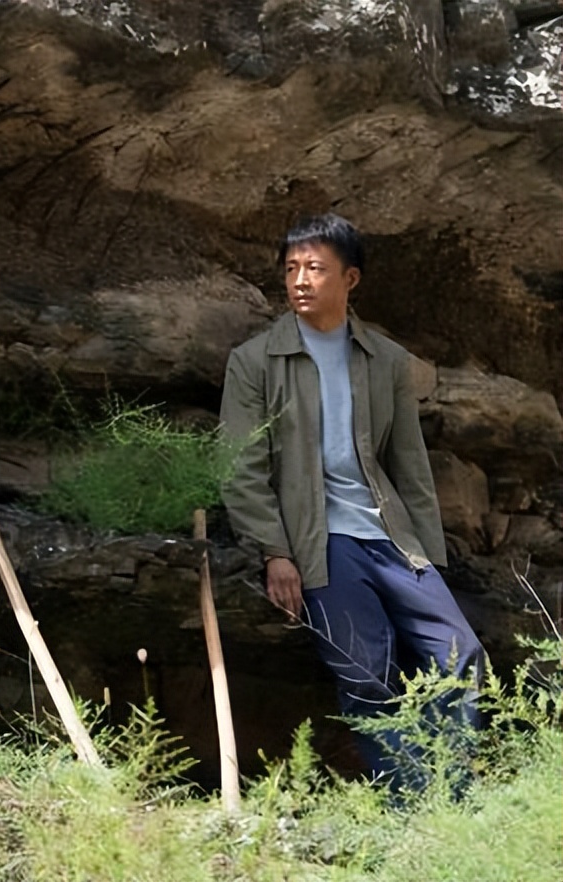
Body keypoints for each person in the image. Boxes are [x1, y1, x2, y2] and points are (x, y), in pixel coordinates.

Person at [219, 213, 485, 790]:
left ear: (351, 278)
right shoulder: (255, 361)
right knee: (367, 671)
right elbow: (240, 469)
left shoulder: (385, 360)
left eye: (315, 268)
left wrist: (429, 561)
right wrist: (275, 552)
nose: (300, 280)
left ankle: (454, 795)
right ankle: (408, 801)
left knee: (460, 655)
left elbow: (409, 465)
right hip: (320, 542)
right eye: (291, 268)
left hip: (392, 538)